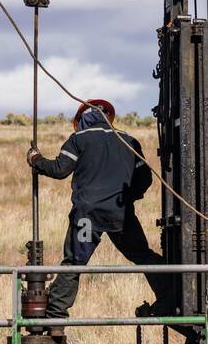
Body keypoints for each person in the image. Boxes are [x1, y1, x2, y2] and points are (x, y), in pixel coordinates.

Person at [27, 100, 168, 331]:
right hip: (120, 213)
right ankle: (172, 292)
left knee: (75, 262)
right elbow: (145, 179)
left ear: (81, 119)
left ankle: (55, 318)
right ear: (108, 117)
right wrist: (126, 197)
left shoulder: (79, 139)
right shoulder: (129, 141)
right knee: (143, 255)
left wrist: (35, 160)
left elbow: (60, 169)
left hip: (87, 215)